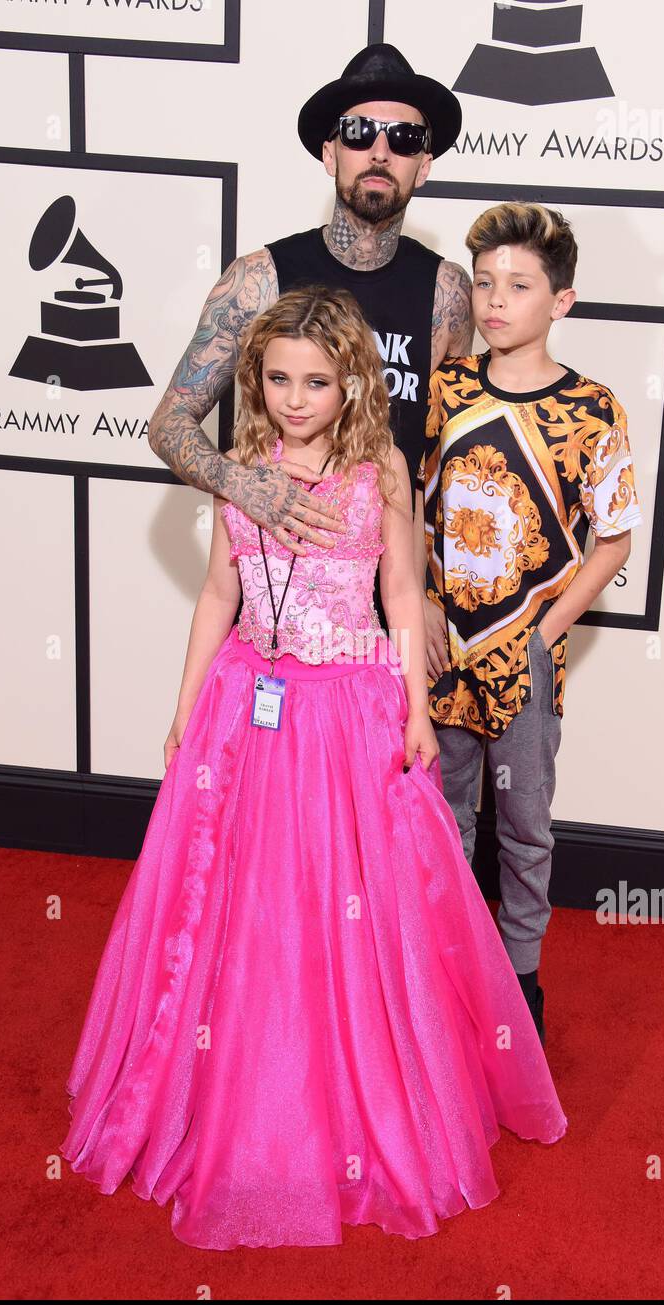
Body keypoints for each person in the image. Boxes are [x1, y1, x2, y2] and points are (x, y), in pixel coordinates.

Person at [60, 285, 566, 1252]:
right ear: (256, 381)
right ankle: (226, 1087)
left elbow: (405, 592)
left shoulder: (378, 469)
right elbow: (217, 592)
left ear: (351, 384)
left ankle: (354, 1098)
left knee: (358, 908)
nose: (295, 399)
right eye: (278, 379)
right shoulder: (243, 469)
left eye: (317, 382)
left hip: (348, 706)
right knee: (236, 906)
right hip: (244, 707)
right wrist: (180, 712)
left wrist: (417, 707)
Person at [147, 42, 474, 633]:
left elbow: (440, 465)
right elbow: (167, 424)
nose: (379, 151)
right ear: (330, 152)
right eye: (358, 132)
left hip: (389, 619)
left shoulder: (448, 295)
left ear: (423, 165)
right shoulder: (258, 281)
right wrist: (245, 486)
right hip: (276, 608)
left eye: (403, 139)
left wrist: (425, 595)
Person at [415, 201, 643, 1046]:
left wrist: (541, 639)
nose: (494, 301)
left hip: (528, 658)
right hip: (442, 647)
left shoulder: (592, 409)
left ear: (562, 301)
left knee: (523, 826)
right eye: (482, 284)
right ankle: (433, 971)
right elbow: (410, 503)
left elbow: (611, 542)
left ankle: (517, 989)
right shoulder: (446, 389)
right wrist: (428, 603)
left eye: (517, 285)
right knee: (437, 812)